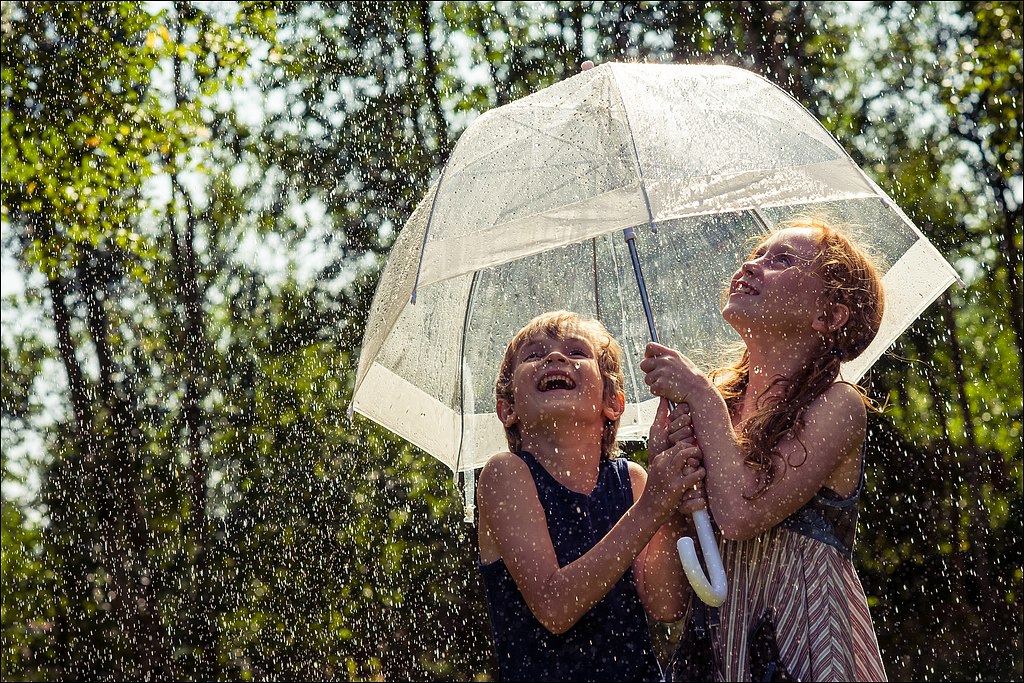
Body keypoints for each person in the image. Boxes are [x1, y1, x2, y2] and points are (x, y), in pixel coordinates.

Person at [640, 216, 889, 681]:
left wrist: (702, 397)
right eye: (755, 255)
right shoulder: (714, 404)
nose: (751, 265)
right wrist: (668, 483)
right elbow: (666, 602)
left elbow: (739, 515)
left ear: (829, 315)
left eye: (782, 260)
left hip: (808, 646)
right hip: (719, 652)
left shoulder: (839, 406)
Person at [477, 310, 705, 682]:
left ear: (613, 402)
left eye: (576, 351)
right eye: (534, 355)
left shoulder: (631, 480)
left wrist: (674, 507)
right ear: (508, 409)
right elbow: (554, 607)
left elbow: (667, 604)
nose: (554, 358)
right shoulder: (506, 475)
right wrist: (653, 507)